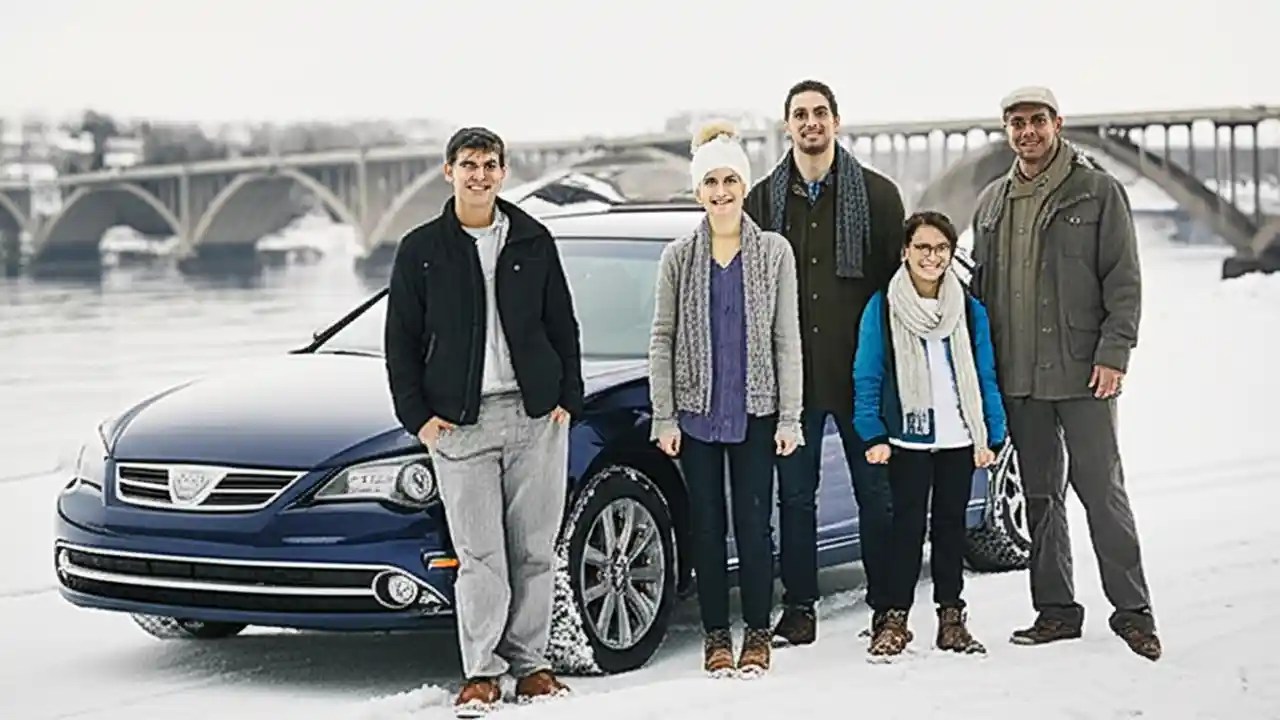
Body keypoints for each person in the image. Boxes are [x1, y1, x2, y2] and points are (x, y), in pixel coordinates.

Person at [383, 125, 585, 714]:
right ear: (449, 172)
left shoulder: (532, 239)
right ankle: (482, 670)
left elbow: (562, 326)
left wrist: (566, 399)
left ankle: (533, 665)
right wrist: (418, 417)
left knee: (535, 551)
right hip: (459, 425)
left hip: (535, 416)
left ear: (503, 172)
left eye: (489, 164)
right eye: (468, 164)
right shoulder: (421, 250)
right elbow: (400, 343)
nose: (479, 174)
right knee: (480, 555)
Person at [970, 86, 1161, 661]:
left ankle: (1133, 612)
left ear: (1057, 123)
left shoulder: (1098, 191)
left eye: (1036, 121)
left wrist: (1114, 354)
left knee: (1101, 492)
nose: (1026, 132)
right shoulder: (992, 202)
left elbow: (1123, 281)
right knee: (1040, 497)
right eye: (1016, 123)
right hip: (1021, 378)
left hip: (1083, 375)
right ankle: (1055, 610)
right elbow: (982, 291)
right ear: (1007, 130)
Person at [744, 79, 907, 645]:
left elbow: (896, 291)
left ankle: (889, 608)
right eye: (799, 115)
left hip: (862, 374)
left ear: (836, 121)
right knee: (794, 498)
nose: (810, 123)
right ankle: (800, 606)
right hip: (792, 380)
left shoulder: (880, 198)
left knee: (876, 494)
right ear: (787, 126)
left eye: (819, 113)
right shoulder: (760, 201)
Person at [649, 121, 804, 677]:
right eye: (710, 181)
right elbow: (661, 337)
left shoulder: (774, 254)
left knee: (756, 525)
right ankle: (717, 635)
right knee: (707, 527)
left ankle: (757, 632)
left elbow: (787, 338)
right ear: (698, 191)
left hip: (757, 413)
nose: (721, 191)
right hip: (695, 417)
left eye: (730, 179)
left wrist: (790, 417)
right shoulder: (678, 257)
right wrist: (665, 414)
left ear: (744, 185)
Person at [853, 210, 1007, 660]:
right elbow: (867, 374)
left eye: (941, 248)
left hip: (959, 435)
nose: (931, 257)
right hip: (908, 438)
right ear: (905, 251)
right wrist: (872, 432)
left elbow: (984, 374)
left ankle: (951, 618)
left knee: (950, 527)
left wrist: (991, 434)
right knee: (906, 528)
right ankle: (894, 619)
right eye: (922, 247)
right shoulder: (883, 306)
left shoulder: (968, 308)